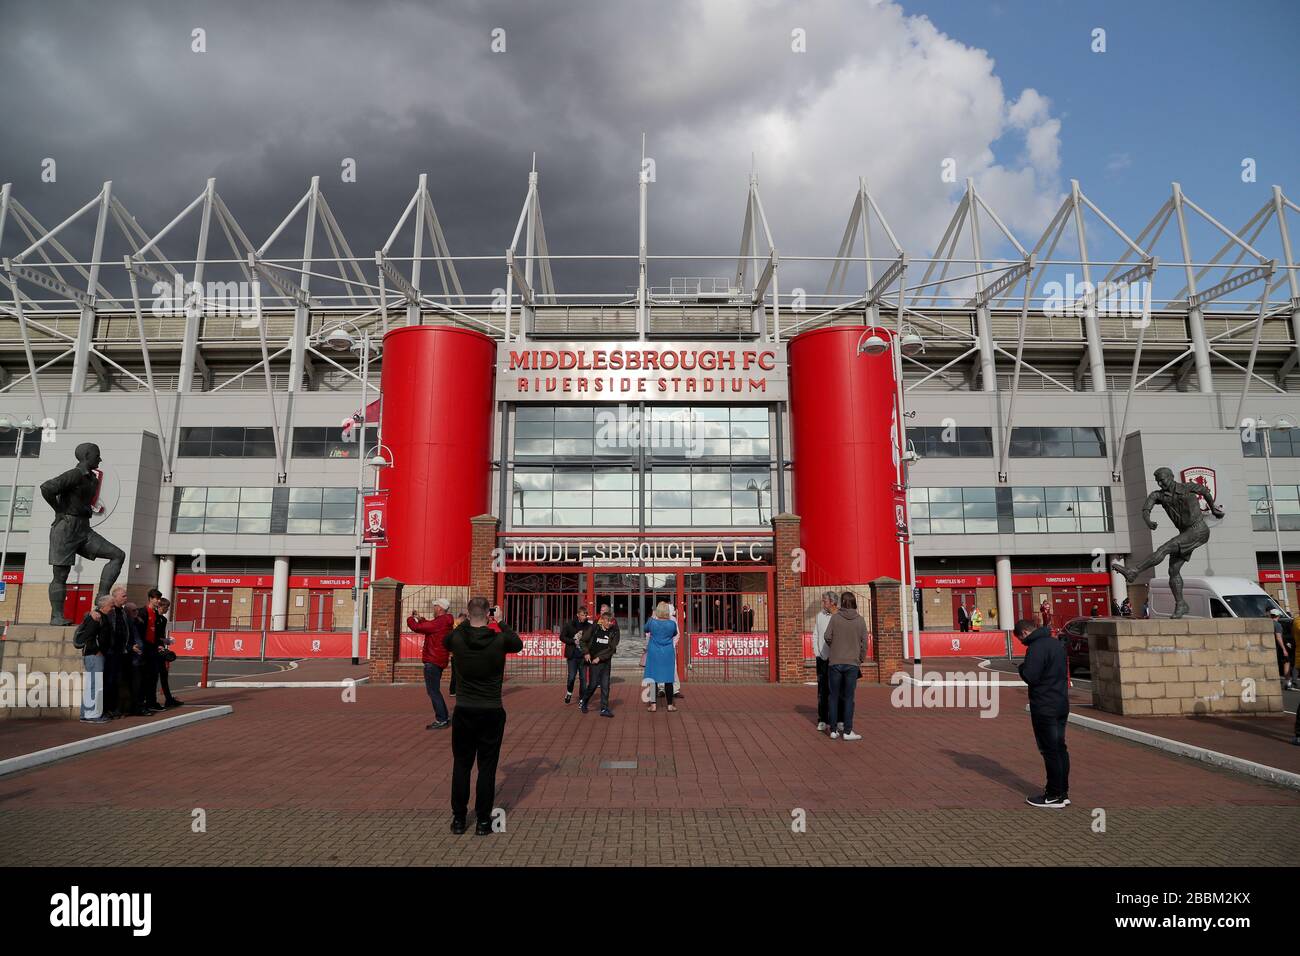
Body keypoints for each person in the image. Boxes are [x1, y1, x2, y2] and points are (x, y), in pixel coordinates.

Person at [444, 596, 523, 836]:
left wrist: (465, 621)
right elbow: (517, 643)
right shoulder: (499, 639)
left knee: (462, 765)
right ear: (489, 614)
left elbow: (447, 638)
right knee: (487, 768)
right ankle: (483, 822)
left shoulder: (457, 638)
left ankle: (459, 819)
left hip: (465, 709)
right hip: (491, 710)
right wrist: (500, 622)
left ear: (468, 615)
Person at [40, 443, 126, 625]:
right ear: (87, 456)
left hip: (84, 529)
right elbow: (47, 487)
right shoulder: (75, 474)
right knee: (61, 575)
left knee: (117, 555)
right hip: (66, 528)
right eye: (97, 456)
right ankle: (57, 616)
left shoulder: (92, 479)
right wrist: (59, 510)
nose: (100, 459)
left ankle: (101, 596)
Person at [1015, 617, 1070, 808]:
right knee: (1060, 748)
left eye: (1021, 640)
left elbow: (1031, 675)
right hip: (1061, 702)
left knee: (1049, 750)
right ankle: (1063, 791)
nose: (1023, 643)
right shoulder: (1055, 644)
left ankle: (1053, 794)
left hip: (1045, 705)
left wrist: (1021, 668)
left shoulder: (1036, 648)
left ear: (1024, 633)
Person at [823, 591, 868, 741]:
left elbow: (827, 636)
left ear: (842, 602)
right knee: (849, 698)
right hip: (852, 664)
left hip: (835, 662)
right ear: (854, 602)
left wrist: (834, 647)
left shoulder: (835, 618)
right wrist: (860, 659)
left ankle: (834, 730)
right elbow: (865, 644)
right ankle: (848, 731)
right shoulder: (860, 620)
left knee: (833, 696)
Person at [408, 597, 454, 729]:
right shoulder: (444, 621)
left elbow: (417, 627)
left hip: (432, 660)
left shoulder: (440, 622)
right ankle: (444, 716)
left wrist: (411, 619)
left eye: (435, 606)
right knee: (435, 690)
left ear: (439, 608)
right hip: (438, 659)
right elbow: (429, 626)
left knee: (433, 691)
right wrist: (421, 619)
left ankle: (442, 719)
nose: (433, 608)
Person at [75, 594, 114, 723]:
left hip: (96, 655)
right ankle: (91, 715)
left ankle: (86, 713)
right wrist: (97, 651)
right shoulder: (96, 617)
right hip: (94, 655)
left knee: (93, 684)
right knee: (94, 685)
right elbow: (89, 636)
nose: (112, 608)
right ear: (103, 606)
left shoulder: (102, 616)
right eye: (110, 605)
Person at [579, 608, 619, 717]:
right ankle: (585, 701)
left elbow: (612, 649)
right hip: (594, 662)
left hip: (605, 662)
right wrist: (586, 653)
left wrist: (600, 658)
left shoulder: (613, 631)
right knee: (593, 684)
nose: (610, 623)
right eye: (608, 621)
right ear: (603, 621)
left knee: (605, 685)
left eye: (611, 622)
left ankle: (604, 708)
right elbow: (582, 641)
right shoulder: (594, 629)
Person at [643, 601, 679, 713]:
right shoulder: (672, 624)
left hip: (654, 652)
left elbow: (645, 629)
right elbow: (673, 634)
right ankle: (669, 705)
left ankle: (653, 705)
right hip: (667, 652)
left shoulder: (651, 622)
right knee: (669, 679)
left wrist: (653, 617)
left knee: (653, 678)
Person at [812, 591, 837, 732]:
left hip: (836, 659)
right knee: (822, 690)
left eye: (825, 601)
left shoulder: (838, 616)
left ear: (832, 602)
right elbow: (816, 634)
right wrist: (817, 652)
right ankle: (822, 719)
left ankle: (837, 719)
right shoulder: (820, 616)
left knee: (836, 690)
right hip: (822, 658)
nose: (823, 603)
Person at [559, 606, 591, 704]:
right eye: (582, 615)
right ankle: (569, 692)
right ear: (578, 615)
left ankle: (582, 698)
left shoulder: (589, 626)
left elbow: (591, 639)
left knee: (583, 678)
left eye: (585, 615)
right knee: (571, 677)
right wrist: (573, 641)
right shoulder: (570, 624)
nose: (584, 617)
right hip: (572, 655)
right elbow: (562, 637)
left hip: (583, 655)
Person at [155, 597, 183, 708]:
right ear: (161, 606)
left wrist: (165, 641)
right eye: (166, 607)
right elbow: (154, 636)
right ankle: (150, 700)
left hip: (160, 648)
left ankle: (169, 699)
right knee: (153, 676)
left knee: (164, 674)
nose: (167, 609)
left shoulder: (163, 620)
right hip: (154, 649)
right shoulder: (154, 618)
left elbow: (160, 635)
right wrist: (163, 641)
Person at [1269, 608, 1294, 689]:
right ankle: (1288, 683)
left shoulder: (1268, 623)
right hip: (1278, 646)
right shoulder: (1277, 625)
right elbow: (1278, 637)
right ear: (1278, 615)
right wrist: (1284, 649)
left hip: (1271, 647)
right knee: (1286, 661)